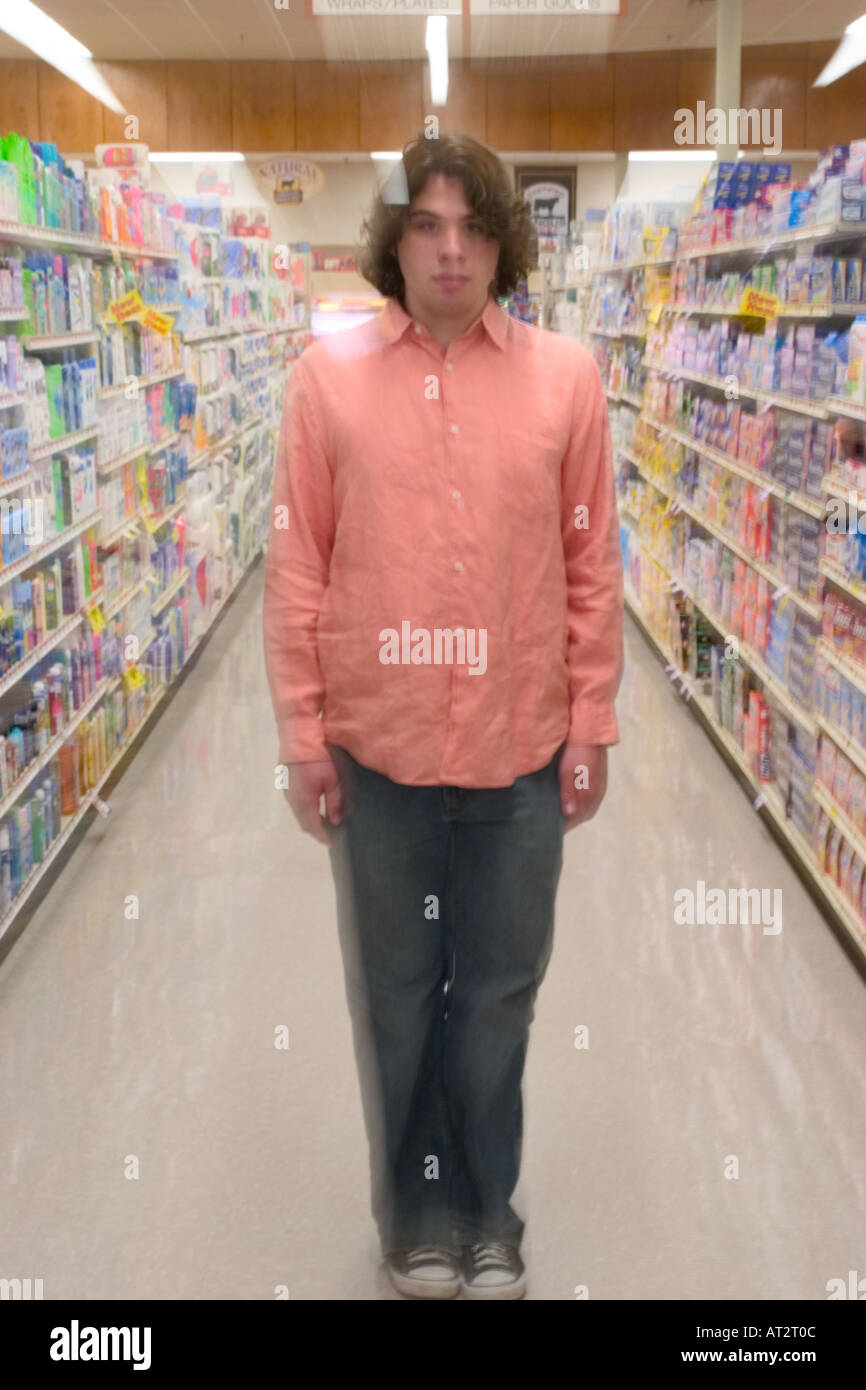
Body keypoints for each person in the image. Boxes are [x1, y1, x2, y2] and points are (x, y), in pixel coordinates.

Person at [262, 130, 624, 1300]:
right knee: (399, 992)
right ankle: (415, 1208)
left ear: (504, 240)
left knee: (499, 994)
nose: (451, 250)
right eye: (426, 224)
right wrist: (303, 734)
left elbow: (591, 569)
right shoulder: (327, 382)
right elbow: (298, 571)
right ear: (394, 240)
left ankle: (488, 1210)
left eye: (471, 226)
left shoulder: (566, 378)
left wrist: (591, 719)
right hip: (381, 755)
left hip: (518, 755)